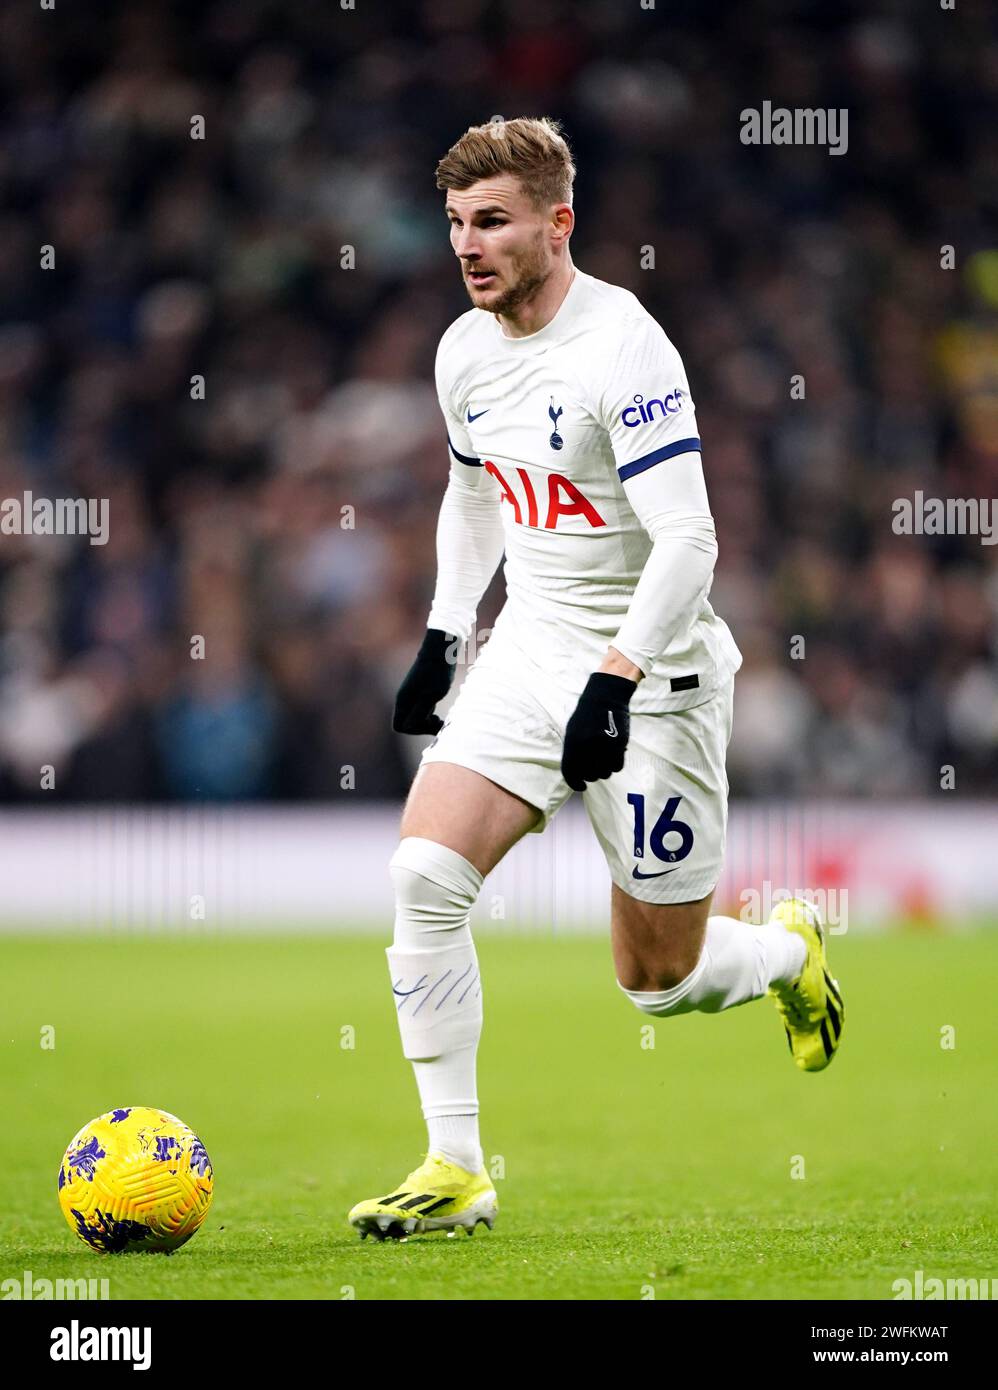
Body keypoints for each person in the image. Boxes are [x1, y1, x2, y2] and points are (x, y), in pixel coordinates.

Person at [348, 117, 843, 1241]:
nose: (467, 247)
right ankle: (454, 1164)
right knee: (422, 875)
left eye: (492, 223)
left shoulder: (626, 348)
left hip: (653, 674)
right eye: (456, 225)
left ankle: (783, 952)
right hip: (529, 649)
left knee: (656, 982)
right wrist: (444, 629)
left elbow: (689, 542)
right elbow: (476, 492)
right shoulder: (463, 351)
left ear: (557, 224)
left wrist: (616, 679)